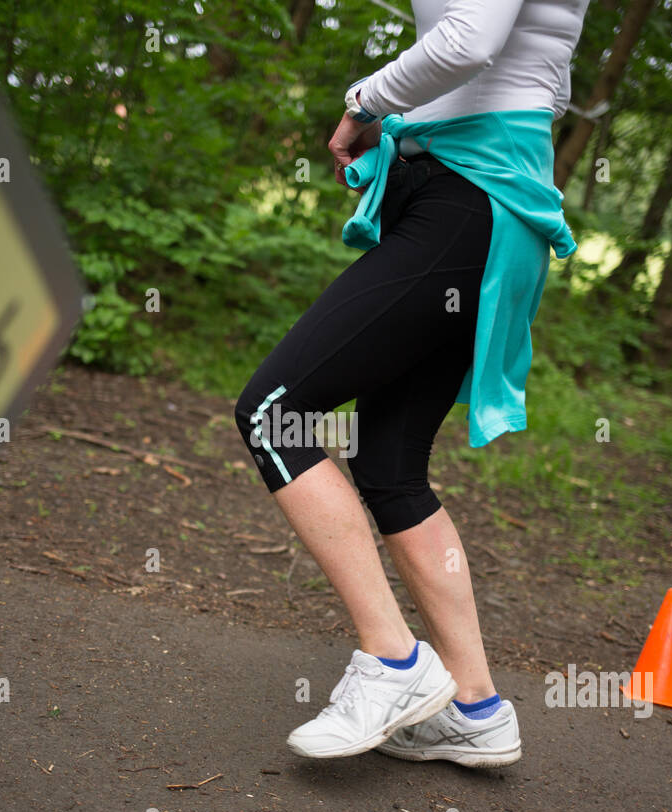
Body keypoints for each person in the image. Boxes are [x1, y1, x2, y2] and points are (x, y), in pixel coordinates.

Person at [233, 0, 590, 767]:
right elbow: (542, 82)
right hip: (476, 198)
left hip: (470, 203)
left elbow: (471, 41)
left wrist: (366, 102)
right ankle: (474, 707)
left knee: (275, 414)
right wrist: (406, 135)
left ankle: (393, 660)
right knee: (391, 467)